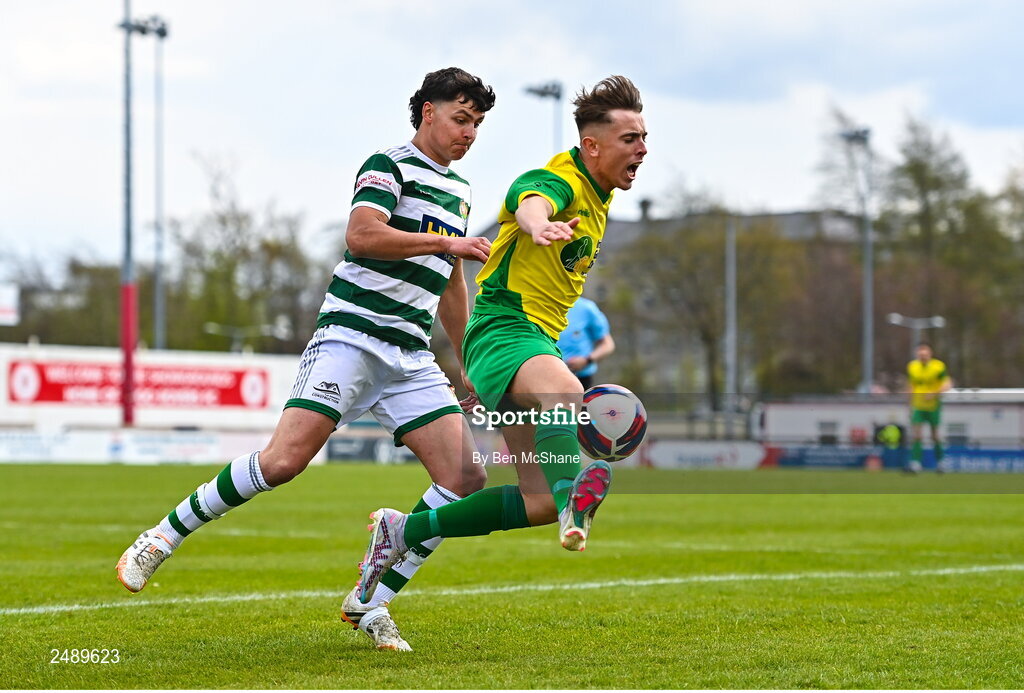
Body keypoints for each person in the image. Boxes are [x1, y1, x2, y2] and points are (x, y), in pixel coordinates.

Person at [115, 67, 496, 652]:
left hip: (409, 353)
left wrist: (467, 357)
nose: (470, 132)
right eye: (461, 118)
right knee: (284, 462)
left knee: (465, 476)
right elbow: (363, 236)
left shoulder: (462, 190)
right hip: (350, 336)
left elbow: (450, 282)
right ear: (427, 112)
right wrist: (446, 242)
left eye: (478, 123)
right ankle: (160, 537)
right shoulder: (387, 165)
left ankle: (373, 600)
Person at [355, 75, 647, 605]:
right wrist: (536, 224)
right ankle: (574, 503)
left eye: (644, 138)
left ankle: (402, 531)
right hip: (504, 329)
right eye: (631, 139)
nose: (643, 149)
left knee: (532, 502)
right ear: (592, 145)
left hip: (532, 342)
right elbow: (531, 196)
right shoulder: (563, 177)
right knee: (565, 394)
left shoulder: (602, 200)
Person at [906, 342, 952, 473]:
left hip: (933, 406)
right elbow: (911, 386)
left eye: (925, 354)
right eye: (920, 354)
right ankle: (916, 464)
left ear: (930, 354)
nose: (923, 357)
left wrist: (934, 393)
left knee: (935, 435)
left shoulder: (938, 367)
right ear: (917, 354)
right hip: (918, 405)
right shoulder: (912, 367)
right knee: (917, 434)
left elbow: (947, 384)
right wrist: (909, 405)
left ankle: (941, 462)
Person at [557, 295, 615, 389]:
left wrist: (587, 360)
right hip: (547, 377)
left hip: (581, 379)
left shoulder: (586, 308)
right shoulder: (540, 305)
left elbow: (607, 344)